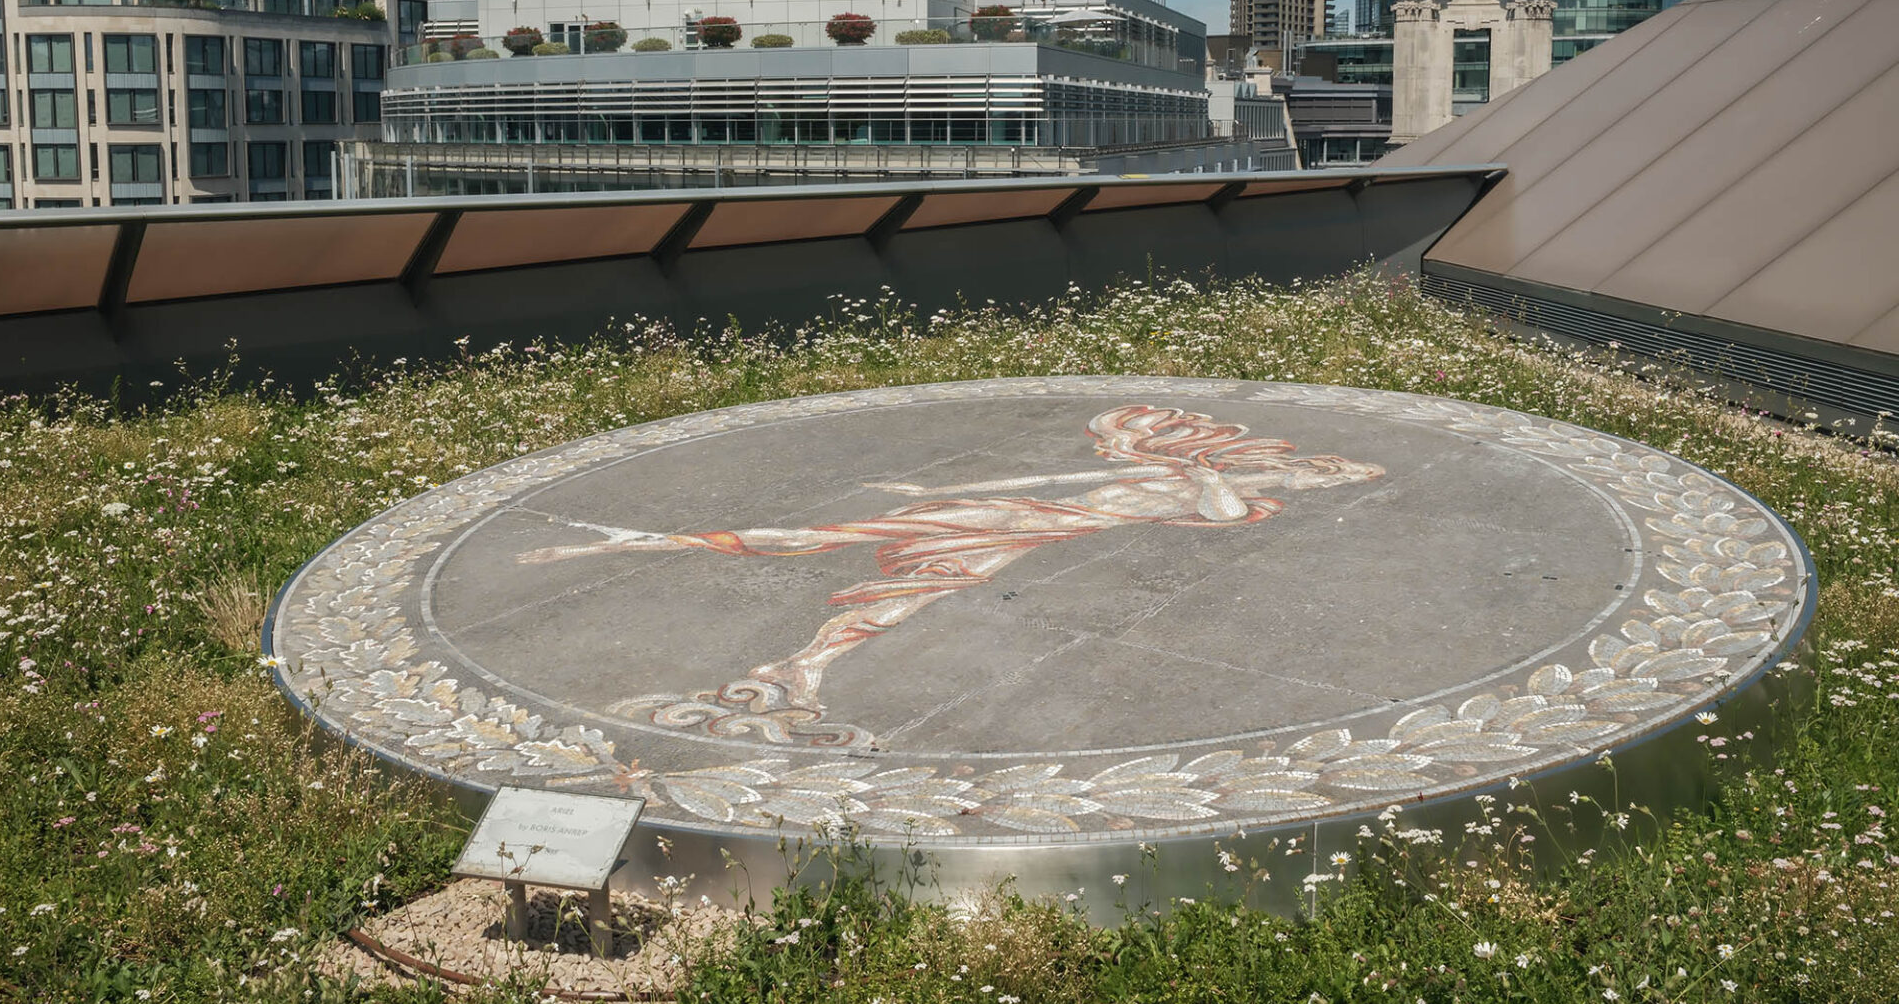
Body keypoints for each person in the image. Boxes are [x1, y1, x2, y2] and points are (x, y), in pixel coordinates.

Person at [519, 405, 1384, 739]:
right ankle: (625, 544)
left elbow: (1218, 518)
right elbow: (1063, 476)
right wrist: (944, 483)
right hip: (1009, 512)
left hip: (1036, 537)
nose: (1309, 475)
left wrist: (1211, 473)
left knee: (903, 591)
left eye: (1323, 477)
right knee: (818, 537)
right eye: (1322, 469)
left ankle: (803, 671)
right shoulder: (1217, 474)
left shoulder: (1241, 496)